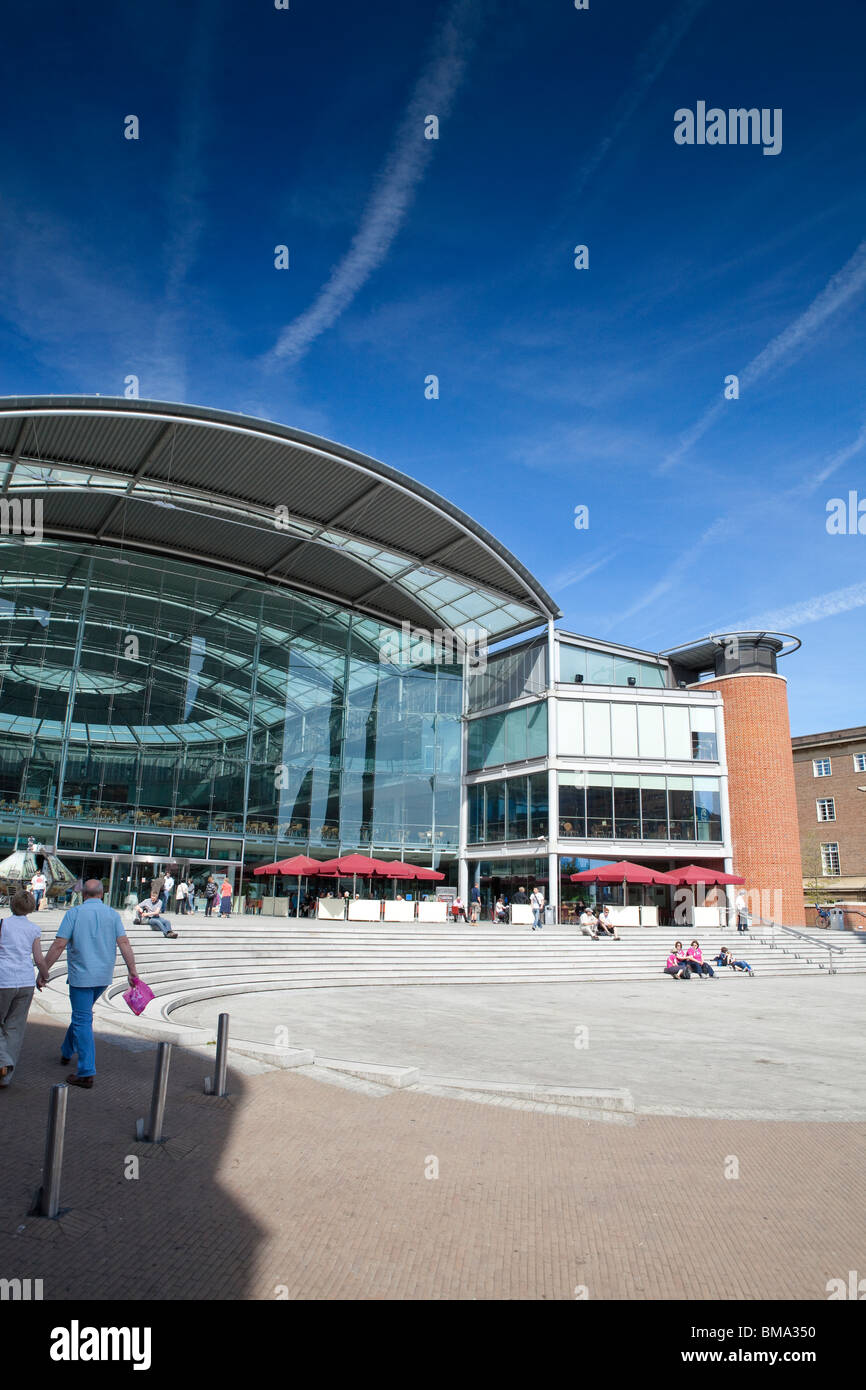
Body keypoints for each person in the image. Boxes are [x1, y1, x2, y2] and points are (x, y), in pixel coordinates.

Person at [41, 879, 140, 1088]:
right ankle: (67, 1051)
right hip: (103, 977)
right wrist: (132, 971)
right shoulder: (112, 914)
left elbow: (59, 944)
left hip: (81, 976)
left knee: (82, 1018)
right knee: (82, 1015)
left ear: (84, 894)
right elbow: (124, 942)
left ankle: (86, 1072)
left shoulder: (74, 914)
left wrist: (44, 969)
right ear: (102, 894)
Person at [0, 890, 50, 1088]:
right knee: (15, 1027)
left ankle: (3, 1061)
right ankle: (5, 1076)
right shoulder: (33, 929)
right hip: (25, 981)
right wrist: (44, 976)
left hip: (3, 980)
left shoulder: (3, 924)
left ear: (12, 905)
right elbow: (39, 959)